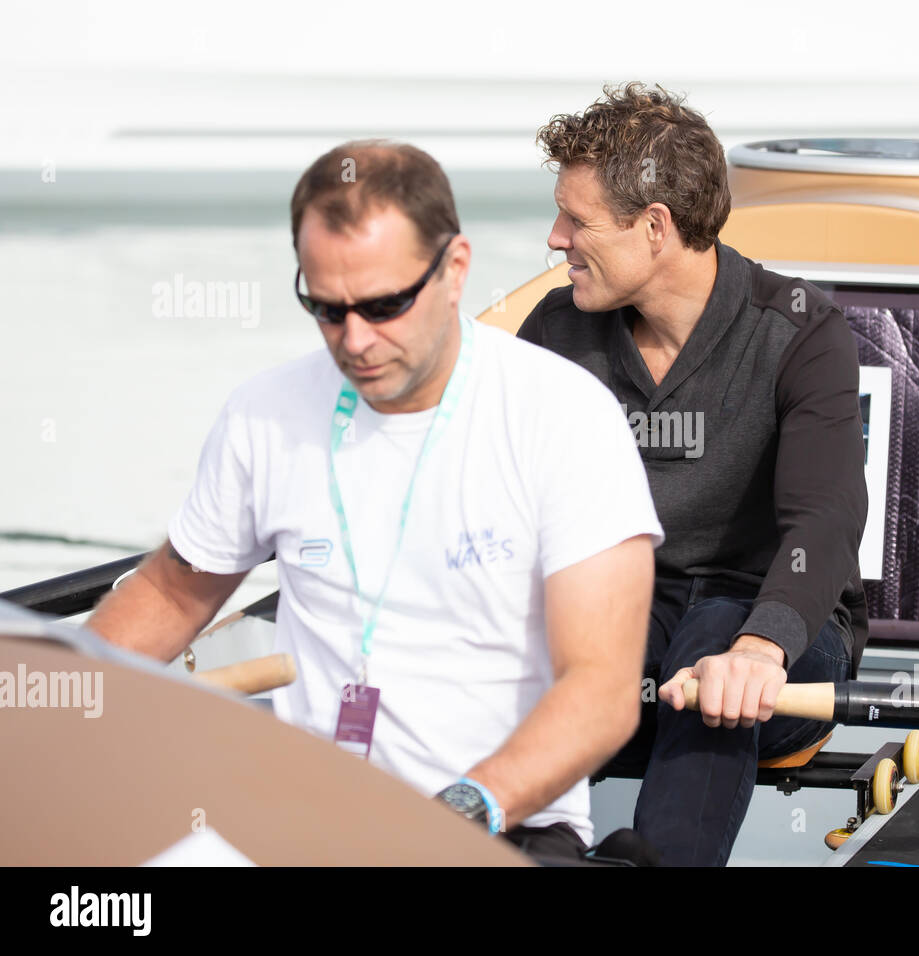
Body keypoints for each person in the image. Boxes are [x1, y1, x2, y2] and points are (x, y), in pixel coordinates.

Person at [88, 140, 663, 860]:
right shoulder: (263, 413)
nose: (355, 340)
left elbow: (603, 694)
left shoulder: (565, 416)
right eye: (326, 309)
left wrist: (451, 812)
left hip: (496, 821)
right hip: (304, 821)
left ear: (456, 269)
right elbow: (173, 598)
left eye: (385, 305)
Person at [518, 83, 870, 866]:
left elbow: (826, 520)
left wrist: (759, 648)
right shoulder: (555, 331)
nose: (554, 238)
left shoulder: (802, 332)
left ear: (654, 228)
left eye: (576, 220)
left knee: (713, 643)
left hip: (776, 637)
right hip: (626, 621)